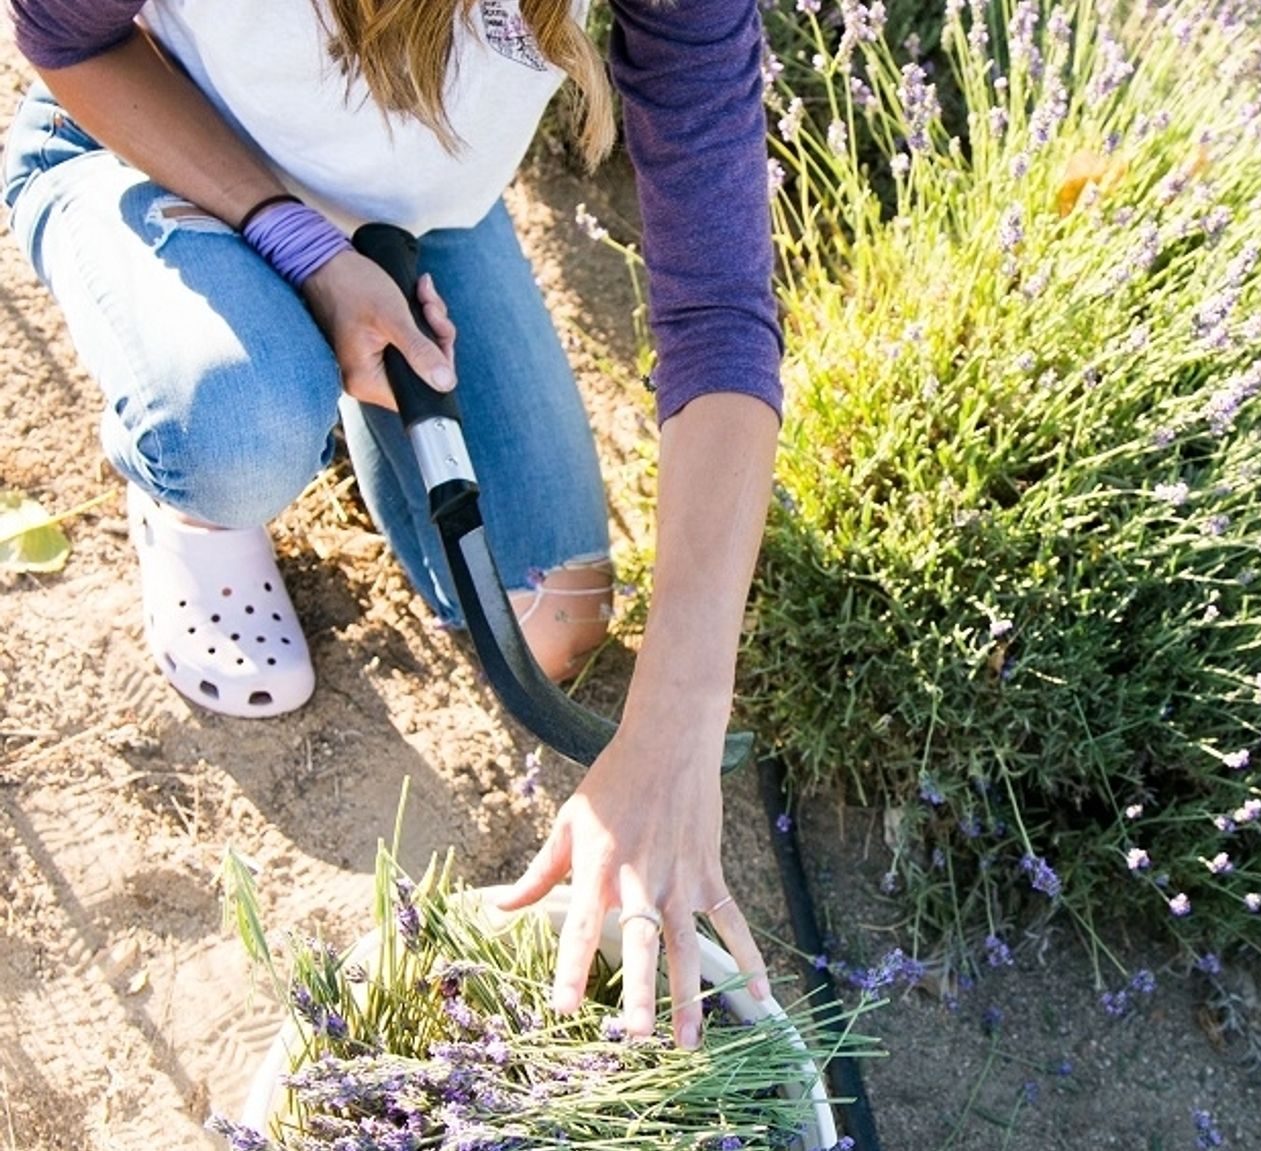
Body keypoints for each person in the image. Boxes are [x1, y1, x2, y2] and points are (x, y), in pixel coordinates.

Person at [4, 0, 781, 1049]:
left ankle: (316, 343)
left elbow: (721, 316)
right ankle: (204, 459)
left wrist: (678, 720)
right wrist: (301, 248)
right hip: (159, 137)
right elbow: (70, 37)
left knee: (546, 616)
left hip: (408, 201)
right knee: (241, 424)